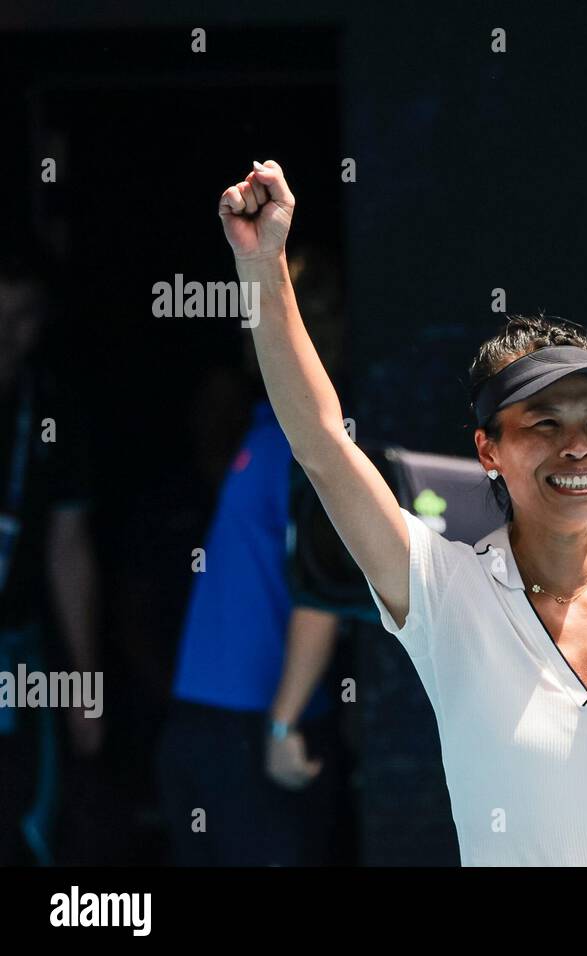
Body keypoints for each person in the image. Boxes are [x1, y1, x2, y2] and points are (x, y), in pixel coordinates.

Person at [216, 160, 587, 866]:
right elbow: (321, 444)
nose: (578, 448)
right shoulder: (444, 590)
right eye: (544, 424)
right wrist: (263, 266)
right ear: (488, 451)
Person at [154, 248, 348, 865]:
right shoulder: (266, 426)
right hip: (206, 722)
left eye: (279, 306)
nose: (252, 319)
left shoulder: (322, 442)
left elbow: (328, 590)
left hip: (262, 729)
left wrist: (283, 724)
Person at [0, 246, 102, 865]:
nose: (7, 338)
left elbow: (70, 552)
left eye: (21, 320)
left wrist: (85, 689)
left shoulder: (51, 411)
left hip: (20, 659)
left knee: (28, 828)